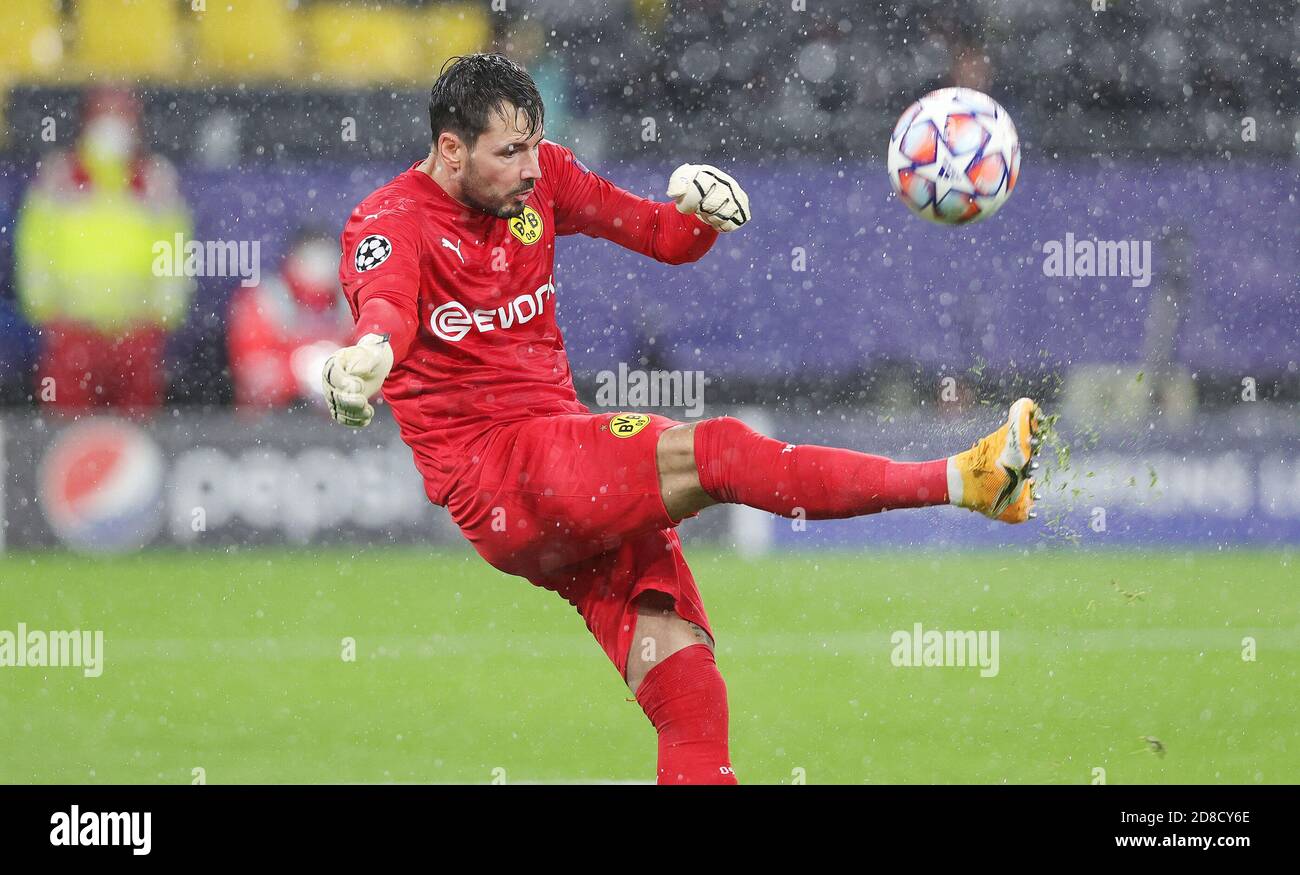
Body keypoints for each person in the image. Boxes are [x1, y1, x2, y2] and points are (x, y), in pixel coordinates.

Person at [322, 53, 1042, 785]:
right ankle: (966, 479)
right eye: (510, 153)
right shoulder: (389, 222)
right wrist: (370, 352)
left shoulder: (544, 181)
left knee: (689, 690)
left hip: (561, 489)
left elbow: (660, 235)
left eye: (535, 144)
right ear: (451, 149)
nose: (532, 167)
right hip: (501, 472)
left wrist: (701, 219)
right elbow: (385, 309)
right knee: (718, 451)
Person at [14, 87, 193, 416]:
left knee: (138, 426)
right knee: (65, 425)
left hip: (137, 328)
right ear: (86, 123)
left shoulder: (155, 180)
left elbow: (175, 248)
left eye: (122, 117)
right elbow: (35, 245)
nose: (113, 127)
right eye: (104, 116)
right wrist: (42, 305)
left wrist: (164, 310)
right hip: (72, 325)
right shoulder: (60, 177)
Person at [227, 228, 353, 411]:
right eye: (311, 258)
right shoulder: (265, 299)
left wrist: (344, 374)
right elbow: (253, 373)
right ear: (294, 260)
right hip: (271, 423)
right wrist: (300, 372)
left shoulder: (355, 302)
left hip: (347, 421)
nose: (319, 267)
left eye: (326, 258)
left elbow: (385, 372)